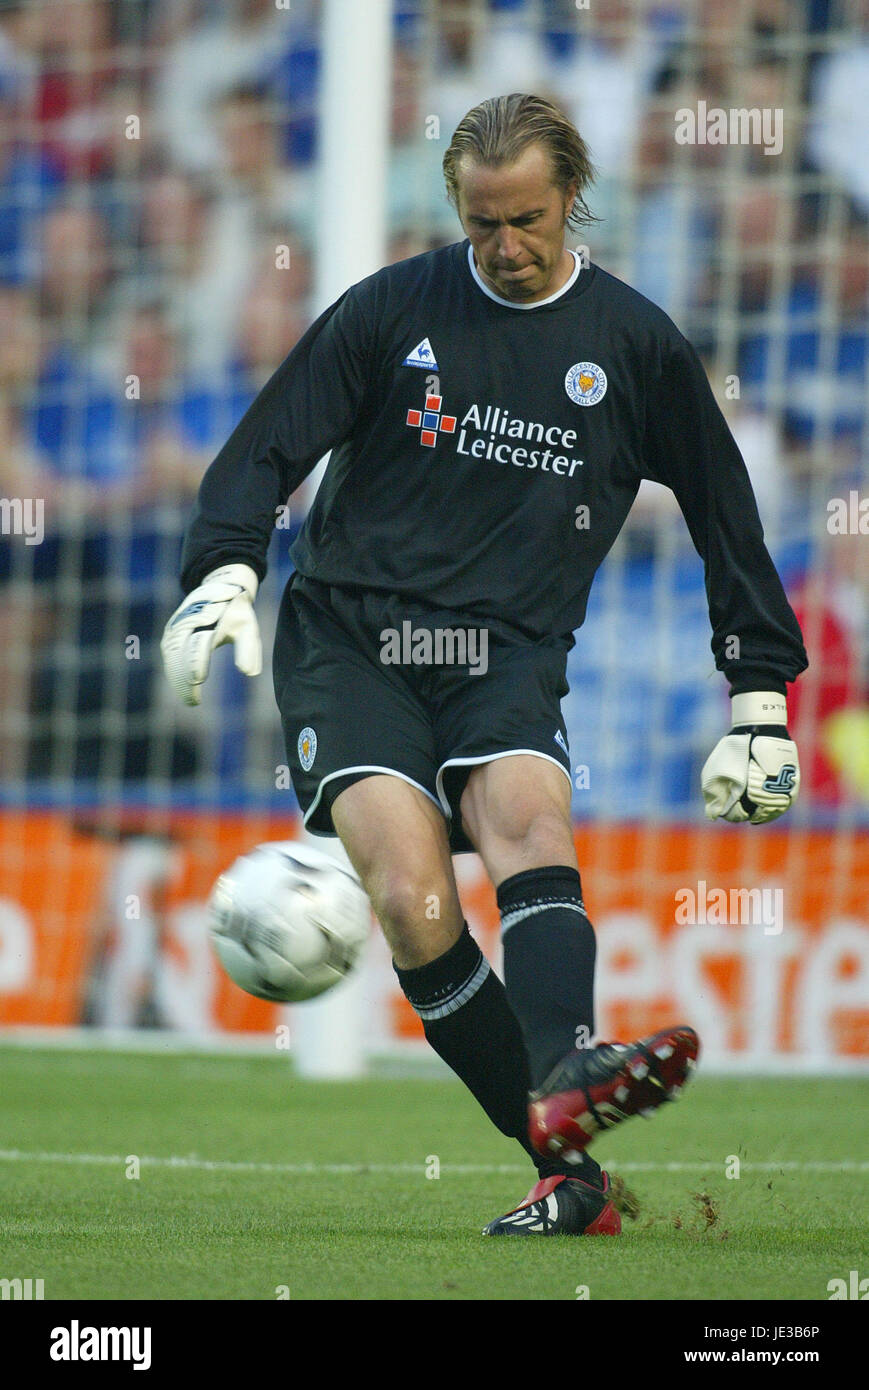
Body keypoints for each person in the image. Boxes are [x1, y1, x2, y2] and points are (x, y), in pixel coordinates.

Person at [161, 94, 808, 1237]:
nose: (504, 247)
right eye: (480, 223)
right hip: (351, 636)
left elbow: (725, 517)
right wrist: (222, 569)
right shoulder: (393, 308)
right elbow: (270, 439)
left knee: (527, 820)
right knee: (413, 902)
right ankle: (564, 1150)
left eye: (526, 220)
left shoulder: (634, 345)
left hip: (503, 645)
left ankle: (565, 1087)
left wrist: (757, 695)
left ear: (572, 198)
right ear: (457, 208)